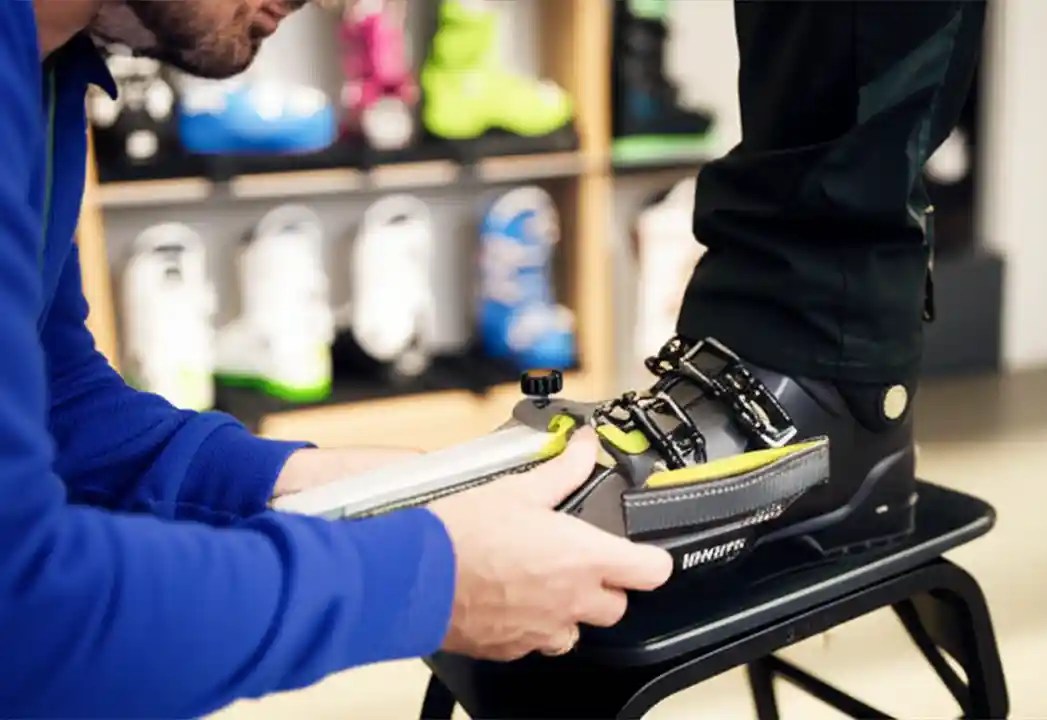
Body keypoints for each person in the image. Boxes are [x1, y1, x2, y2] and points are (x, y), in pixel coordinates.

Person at [0, 2, 671, 717]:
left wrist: (346, 486)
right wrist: (427, 579)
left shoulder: (51, 65)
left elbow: (60, 400)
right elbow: (24, 616)